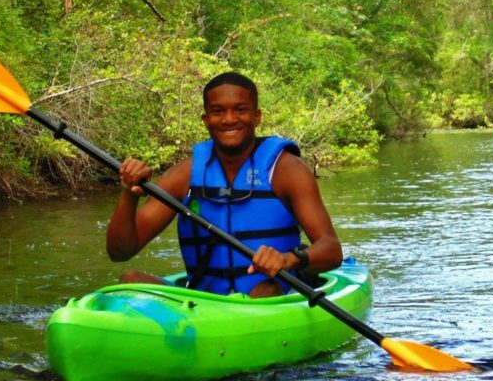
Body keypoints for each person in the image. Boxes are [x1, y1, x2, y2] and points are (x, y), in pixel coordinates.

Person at [106, 72, 343, 298]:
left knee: (265, 290)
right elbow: (120, 252)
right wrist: (129, 194)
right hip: (205, 301)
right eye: (218, 111)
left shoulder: (287, 170)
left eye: (240, 110)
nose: (229, 119)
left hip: (275, 295)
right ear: (206, 120)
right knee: (130, 280)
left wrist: (289, 259)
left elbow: (331, 249)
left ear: (257, 116)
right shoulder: (184, 175)